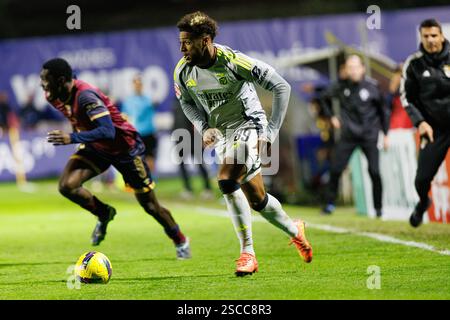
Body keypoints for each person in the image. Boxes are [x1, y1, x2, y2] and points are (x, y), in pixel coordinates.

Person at [174, 11, 312, 276]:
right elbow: (187, 104)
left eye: (187, 42)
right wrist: (204, 127)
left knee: (226, 180)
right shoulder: (182, 71)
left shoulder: (234, 62)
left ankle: (247, 253)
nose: (182, 48)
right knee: (258, 200)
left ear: (205, 40)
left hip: (250, 127)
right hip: (224, 135)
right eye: (180, 42)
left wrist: (270, 132)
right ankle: (296, 230)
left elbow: (281, 86)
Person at [40, 58, 191, 259]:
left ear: (60, 80)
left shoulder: (85, 96)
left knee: (150, 206)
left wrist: (72, 137)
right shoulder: (54, 96)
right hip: (96, 147)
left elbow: (108, 131)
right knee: (67, 185)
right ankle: (104, 213)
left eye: (46, 80)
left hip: (125, 149)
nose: (42, 84)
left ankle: (180, 239)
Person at [319, 55, 390, 217]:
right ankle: (329, 204)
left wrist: (386, 134)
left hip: (369, 135)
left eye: (355, 67)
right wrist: (332, 117)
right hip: (349, 136)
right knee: (336, 169)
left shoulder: (373, 86)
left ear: (362, 68)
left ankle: (378, 209)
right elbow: (323, 97)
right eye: (349, 67)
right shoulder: (342, 86)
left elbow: (384, 111)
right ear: (346, 69)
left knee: (374, 172)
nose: (353, 70)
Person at [400, 18, 450, 227]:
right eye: (426, 36)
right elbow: (406, 97)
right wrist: (420, 122)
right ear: (421, 37)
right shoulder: (414, 64)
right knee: (421, 180)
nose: (430, 40)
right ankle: (423, 203)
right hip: (433, 129)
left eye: (434, 35)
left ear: (442, 36)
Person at [172, 98, 214, 200]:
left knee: (199, 164)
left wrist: (200, 136)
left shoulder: (192, 102)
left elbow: (199, 120)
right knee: (181, 165)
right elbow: (176, 121)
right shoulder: (176, 103)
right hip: (180, 138)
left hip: (194, 138)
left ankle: (207, 189)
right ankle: (187, 189)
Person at [121, 74, 158, 172]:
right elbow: (125, 116)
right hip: (136, 133)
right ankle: (143, 180)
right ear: (133, 85)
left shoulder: (148, 99)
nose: (138, 86)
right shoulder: (128, 101)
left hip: (149, 132)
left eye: (139, 84)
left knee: (150, 157)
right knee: (137, 159)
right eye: (136, 84)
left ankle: (151, 180)